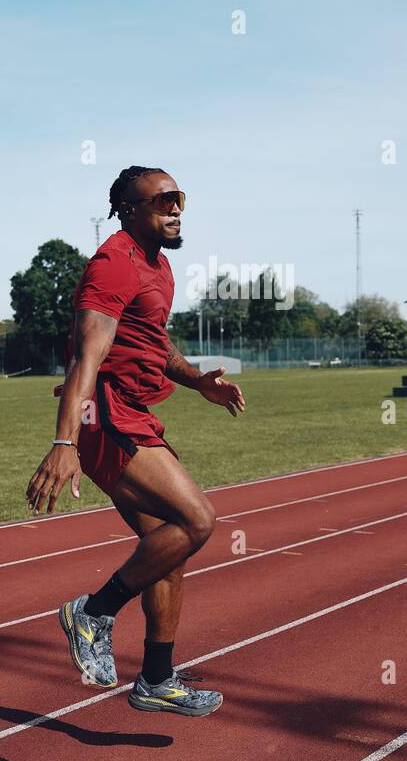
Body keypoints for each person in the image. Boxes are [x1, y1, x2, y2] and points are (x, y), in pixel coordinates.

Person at [26, 166, 245, 716]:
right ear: (128, 210)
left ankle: (156, 678)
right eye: (163, 200)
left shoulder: (159, 267)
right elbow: (87, 355)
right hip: (103, 413)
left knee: (167, 549)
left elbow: (154, 342)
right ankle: (93, 612)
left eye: (180, 199)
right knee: (197, 520)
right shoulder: (113, 263)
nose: (175, 209)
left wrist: (197, 382)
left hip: (132, 411)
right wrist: (64, 441)